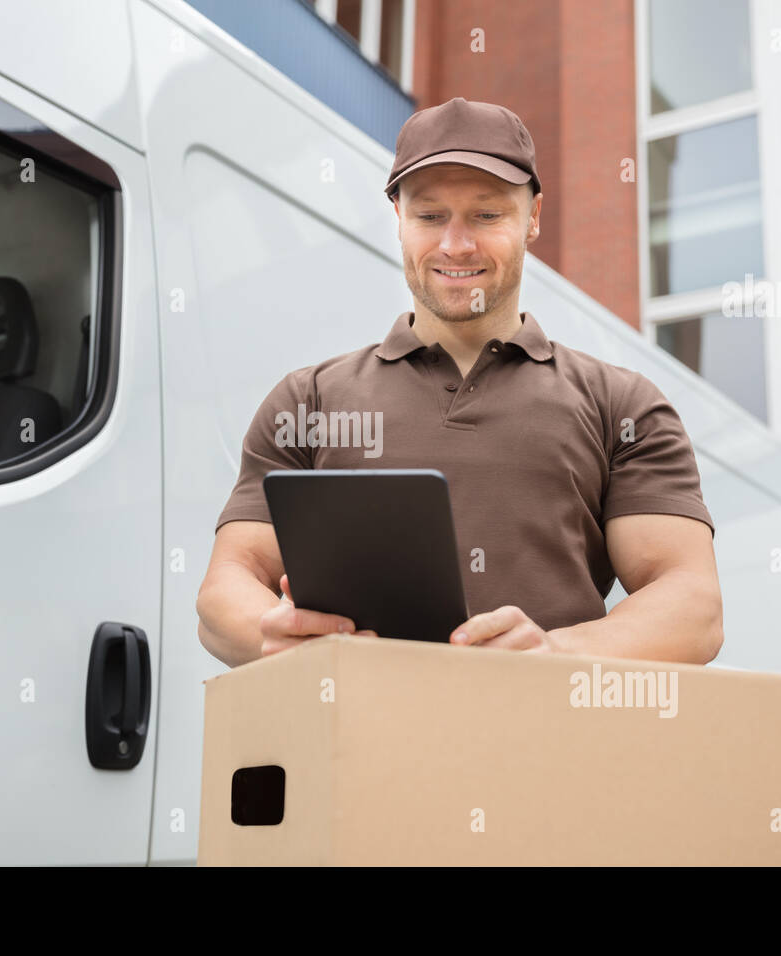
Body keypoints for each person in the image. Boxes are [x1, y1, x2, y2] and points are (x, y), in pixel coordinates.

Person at [197, 97, 722, 669]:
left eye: (487, 215)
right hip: (354, 748)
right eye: (429, 216)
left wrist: (554, 651)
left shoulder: (623, 405)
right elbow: (225, 591)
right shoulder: (308, 400)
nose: (456, 245)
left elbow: (694, 608)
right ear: (398, 216)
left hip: (553, 748)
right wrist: (274, 634)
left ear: (534, 216)